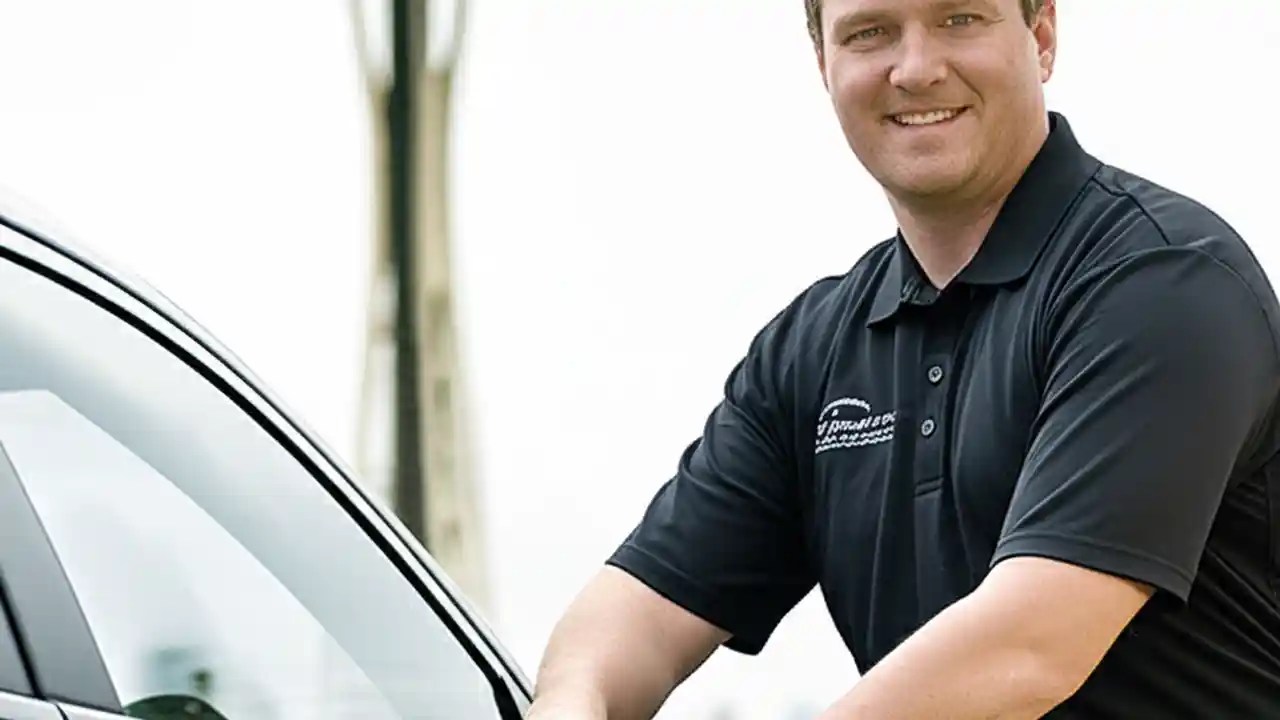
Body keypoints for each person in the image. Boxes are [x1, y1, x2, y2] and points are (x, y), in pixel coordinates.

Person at [526, 0, 1280, 717]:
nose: (915, 68)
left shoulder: (1163, 282)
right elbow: (635, 618)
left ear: (1041, 35)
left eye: (959, 18)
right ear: (823, 61)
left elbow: (1032, 648)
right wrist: (571, 704)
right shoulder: (814, 350)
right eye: (870, 33)